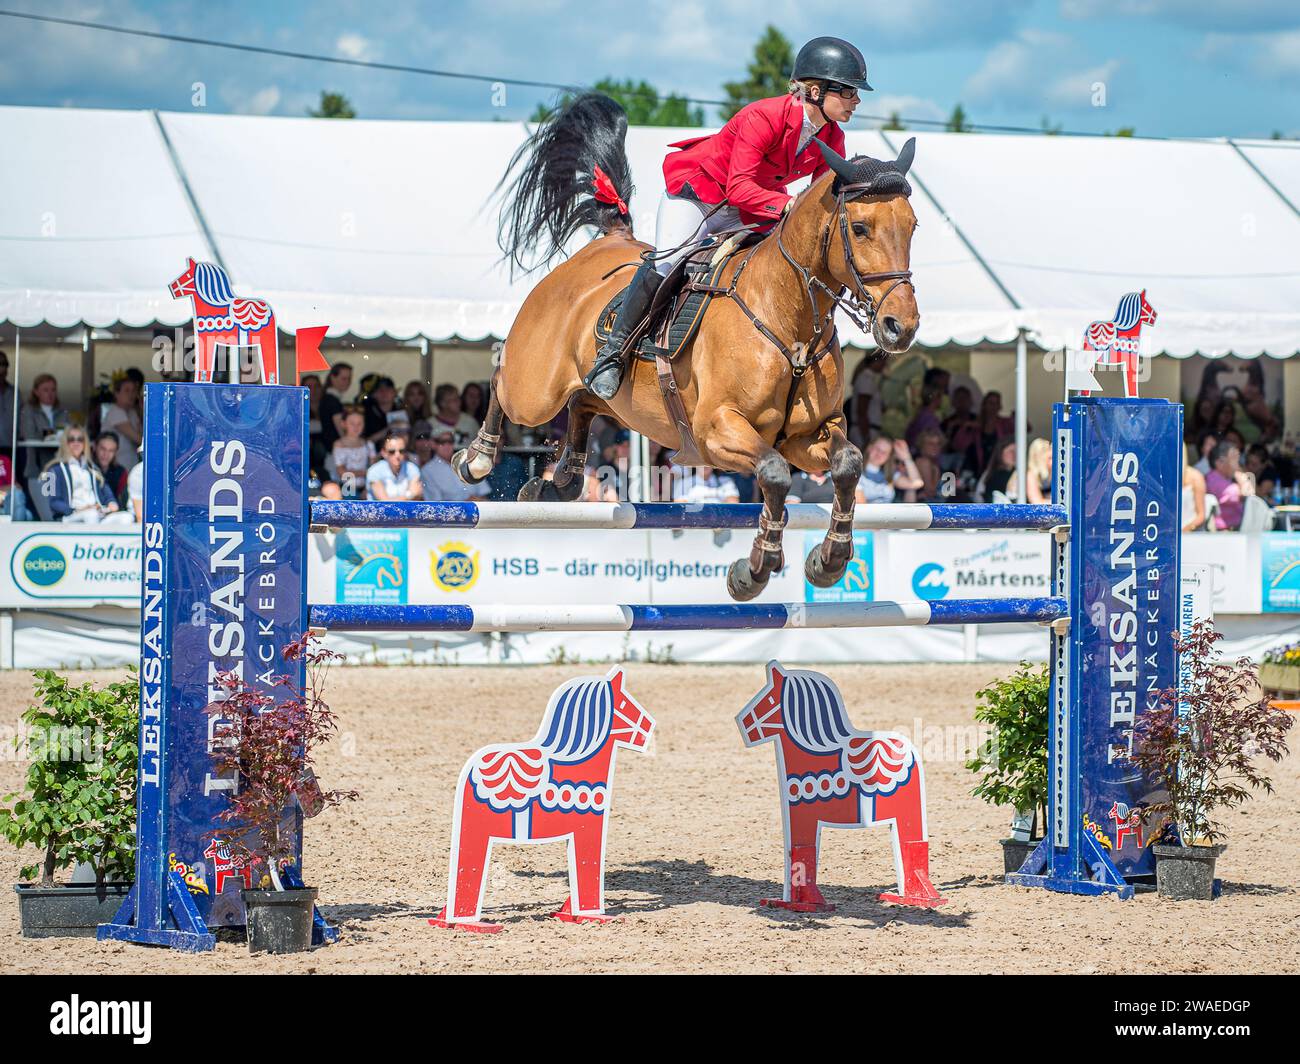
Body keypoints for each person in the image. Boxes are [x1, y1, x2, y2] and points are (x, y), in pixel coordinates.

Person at [585, 36, 869, 399]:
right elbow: (738, 188)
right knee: (669, 260)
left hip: (753, 209)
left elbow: (818, 203)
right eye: (848, 92)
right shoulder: (762, 116)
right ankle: (613, 353)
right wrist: (785, 206)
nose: (856, 101)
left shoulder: (833, 137)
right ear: (814, 90)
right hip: (701, 196)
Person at [42, 428, 130, 524]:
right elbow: (53, 502)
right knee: (91, 515)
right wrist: (78, 509)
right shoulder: (54, 469)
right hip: (72, 515)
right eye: (72, 439)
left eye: (80, 439)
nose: (76, 443)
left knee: (126, 518)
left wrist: (111, 503)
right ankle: (94, 539)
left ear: (85, 443)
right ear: (65, 442)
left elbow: (107, 494)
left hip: (98, 513)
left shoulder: (93, 468)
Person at [18, 373, 69, 480]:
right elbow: (29, 434)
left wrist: (48, 434)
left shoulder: (63, 410)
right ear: (36, 392)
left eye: (53, 390)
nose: (50, 394)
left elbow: (68, 432)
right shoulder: (28, 410)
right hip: (36, 464)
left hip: (59, 462)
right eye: (46, 390)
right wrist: (52, 434)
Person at [421, 427, 490, 502]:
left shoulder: (468, 461)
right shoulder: (427, 471)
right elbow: (434, 506)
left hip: (478, 509)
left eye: (450, 441)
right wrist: (464, 505)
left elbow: (484, 495)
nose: (447, 445)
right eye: (442, 442)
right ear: (433, 444)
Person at [856, 435, 922, 504]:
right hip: (866, 513)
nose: (879, 454)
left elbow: (917, 483)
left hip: (888, 514)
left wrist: (906, 457)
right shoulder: (854, 472)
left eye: (884, 452)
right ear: (870, 447)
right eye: (877, 449)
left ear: (889, 457)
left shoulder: (889, 474)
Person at [1205, 440, 1253, 531]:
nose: (1238, 464)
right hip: (1224, 533)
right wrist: (1241, 475)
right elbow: (1248, 494)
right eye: (1234, 459)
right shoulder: (1214, 480)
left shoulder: (1226, 478)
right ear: (1219, 462)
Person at [331, 407, 376, 499]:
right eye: (352, 423)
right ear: (343, 424)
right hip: (347, 487)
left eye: (360, 423)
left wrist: (367, 488)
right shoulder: (339, 444)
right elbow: (342, 473)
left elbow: (374, 469)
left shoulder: (368, 444)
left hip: (366, 487)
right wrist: (365, 472)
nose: (356, 427)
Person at [366, 431, 423, 501]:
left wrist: (411, 495)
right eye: (392, 452)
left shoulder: (412, 468)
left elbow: (416, 498)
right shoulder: (374, 471)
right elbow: (385, 504)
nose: (397, 455)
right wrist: (410, 495)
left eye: (401, 451)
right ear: (383, 453)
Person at [101, 376, 143, 470]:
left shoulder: (132, 412)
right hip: (117, 468)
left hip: (129, 465)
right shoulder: (115, 412)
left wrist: (141, 410)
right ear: (116, 394)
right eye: (127, 391)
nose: (131, 394)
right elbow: (139, 439)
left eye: (134, 391)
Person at [318, 362, 353, 452]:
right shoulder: (332, 400)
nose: (347, 382)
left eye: (349, 379)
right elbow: (341, 429)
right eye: (344, 379)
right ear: (333, 378)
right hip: (335, 452)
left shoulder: (329, 398)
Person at [92, 431, 129, 507]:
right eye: (103, 449)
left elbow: (123, 502)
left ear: (116, 452)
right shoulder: (86, 469)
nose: (106, 454)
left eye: (111, 450)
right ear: (95, 447)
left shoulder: (121, 473)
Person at [673, 465, 741, 504]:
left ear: (713, 464)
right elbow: (679, 506)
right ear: (694, 463)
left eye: (707, 460)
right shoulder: (684, 483)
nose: (704, 464)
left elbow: (733, 504)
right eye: (701, 460)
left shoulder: (726, 481)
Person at [1182, 447, 1207, 532]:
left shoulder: (1196, 477)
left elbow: (1201, 515)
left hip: (1191, 533)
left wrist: (1184, 530)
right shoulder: (1164, 476)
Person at [1024, 438, 1053, 505]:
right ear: (1040, 459)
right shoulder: (1030, 475)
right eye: (1050, 458)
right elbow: (1036, 502)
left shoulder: (1049, 474)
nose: (1054, 461)